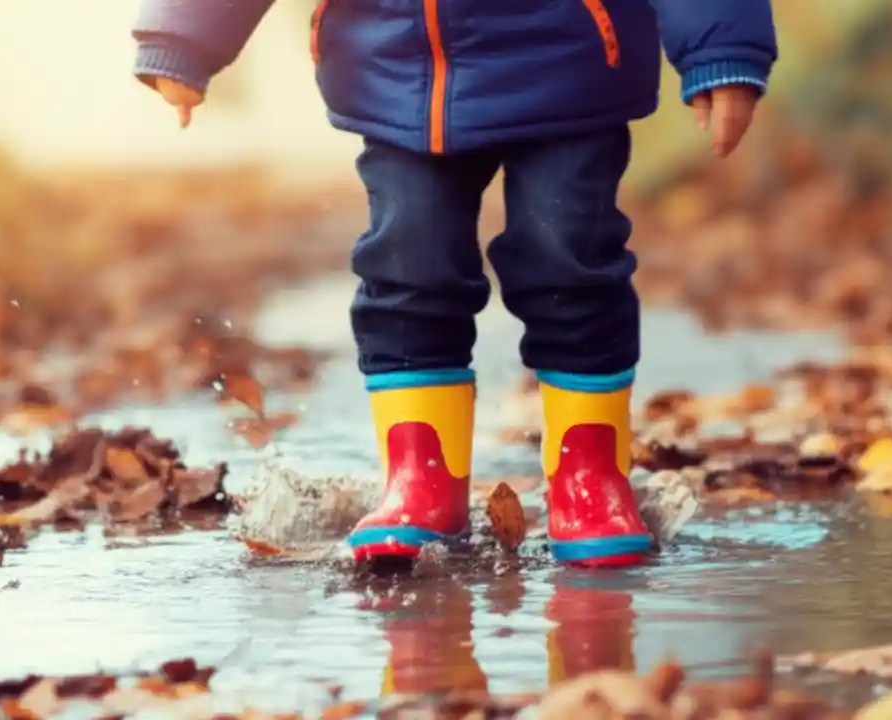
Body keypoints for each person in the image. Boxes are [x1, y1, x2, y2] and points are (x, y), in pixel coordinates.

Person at [132, 0, 776, 567]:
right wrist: (187, 34)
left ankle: (590, 473)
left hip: (570, 64)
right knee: (408, 266)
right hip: (398, 76)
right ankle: (420, 480)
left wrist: (721, 45)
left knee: (569, 259)